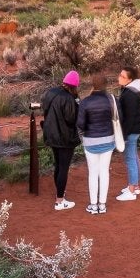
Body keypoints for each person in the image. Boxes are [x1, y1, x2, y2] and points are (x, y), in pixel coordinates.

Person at [76, 78, 124, 215]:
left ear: (93, 85)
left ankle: (93, 205)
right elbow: (119, 117)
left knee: (93, 173)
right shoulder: (112, 99)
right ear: (105, 86)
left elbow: (80, 123)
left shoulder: (85, 102)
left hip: (90, 141)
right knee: (104, 172)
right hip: (108, 140)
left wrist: (87, 131)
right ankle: (102, 205)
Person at [40, 70, 82, 211]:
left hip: (51, 135)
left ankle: (60, 192)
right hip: (65, 138)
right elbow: (72, 119)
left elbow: (45, 110)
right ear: (75, 85)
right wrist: (77, 105)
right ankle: (60, 201)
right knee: (64, 167)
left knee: (58, 165)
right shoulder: (69, 98)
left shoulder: (51, 92)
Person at [116, 66, 140, 202]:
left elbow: (129, 118)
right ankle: (135, 185)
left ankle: (131, 190)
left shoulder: (129, 94)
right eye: (120, 75)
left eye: (123, 76)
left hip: (131, 131)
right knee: (133, 156)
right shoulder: (133, 90)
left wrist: (123, 136)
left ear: (130, 79)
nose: (119, 77)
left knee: (130, 158)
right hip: (135, 129)